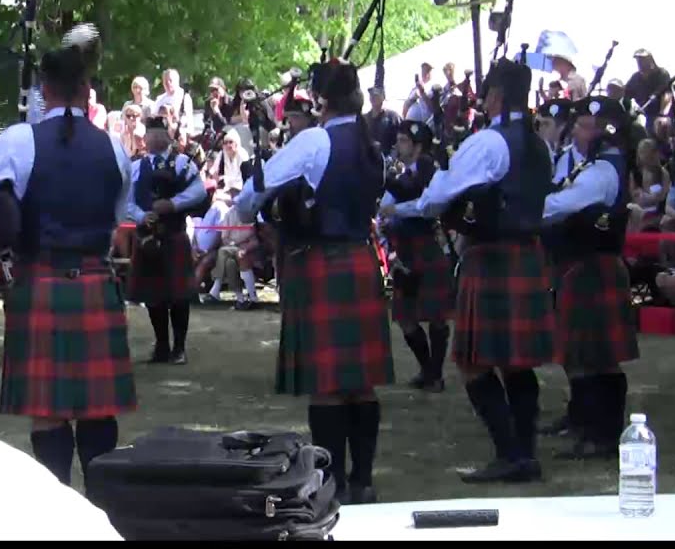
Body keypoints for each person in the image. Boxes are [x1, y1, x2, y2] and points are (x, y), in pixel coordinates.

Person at [0, 23, 136, 487]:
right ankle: (100, 507)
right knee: (98, 408)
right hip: (94, 283)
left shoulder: (17, 141)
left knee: (48, 412)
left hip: (41, 283)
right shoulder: (113, 148)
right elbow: (118, 213)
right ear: (87, 89)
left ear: (44, 91)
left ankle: (56, 506)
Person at [382, 56, 553, 484]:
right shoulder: (539, 145)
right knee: (517, 363)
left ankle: (510, 453)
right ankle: (525, 454)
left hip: (491, 256)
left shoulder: (488, 143)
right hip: (527, 254)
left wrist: (399, 207)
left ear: (494, 95)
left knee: (475, 363)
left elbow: (439, 197)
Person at [236, 57, 391, 505]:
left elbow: (250, 199)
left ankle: (334, 481)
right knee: (360, 382)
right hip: (360, 260)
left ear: (321, 99)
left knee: (327, 383)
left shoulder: (314, 143)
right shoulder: (371, 145)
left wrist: (260, 208)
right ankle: (362, 479)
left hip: (322, 264)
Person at [539, 96, 640, 460]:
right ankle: (582, 420)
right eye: (580, 124)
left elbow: (562, 205)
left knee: (600, 356)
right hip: (573, 265)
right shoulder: (578, 162)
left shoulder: (603, 170)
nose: (582, 131)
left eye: (589, 126)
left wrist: (523, 209)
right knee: (578, 353)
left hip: (595, 266)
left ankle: (606, 434)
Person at [126, 115, 207, 365]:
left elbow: (199, 191)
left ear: (167, 136)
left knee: (179, 295)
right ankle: (161, 345)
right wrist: (142, 215)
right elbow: (126, 200)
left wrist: (172, 204)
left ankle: (179, 348)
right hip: (148, 236)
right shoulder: (136, 166)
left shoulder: (182, 163)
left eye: (159, 133)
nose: (153, 138)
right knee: (154, 295)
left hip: (174, 234)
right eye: (150, 133)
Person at [383, 121, 452, 393]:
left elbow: (427, 207)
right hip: (405, 249)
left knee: (436, 315)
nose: (398, 146)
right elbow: (385, 205)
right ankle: (428, 370)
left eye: (403, 141)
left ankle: (435, 373)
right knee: (404, 316)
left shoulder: (430, 171)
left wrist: (396, 210)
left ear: (417, 145)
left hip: (428, 247)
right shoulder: (403, 175)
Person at [625, 50, 673, 133]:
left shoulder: (661, 74)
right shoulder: (636, 77)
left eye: (643, 59)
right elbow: (626, 94)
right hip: (646, 115)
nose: (640, 62)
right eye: (638, 60)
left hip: (662, 115)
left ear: (651, 60)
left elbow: (667, 95)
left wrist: (662, 115)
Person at [365, 87, 402, 160]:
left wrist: (393, 157)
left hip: (387, 161)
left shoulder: (393, 117)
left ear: (383, 97)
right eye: (371, 95)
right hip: (368, 162)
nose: (373, 97)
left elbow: (402, 139)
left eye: (376, 95)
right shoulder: (363, 119)